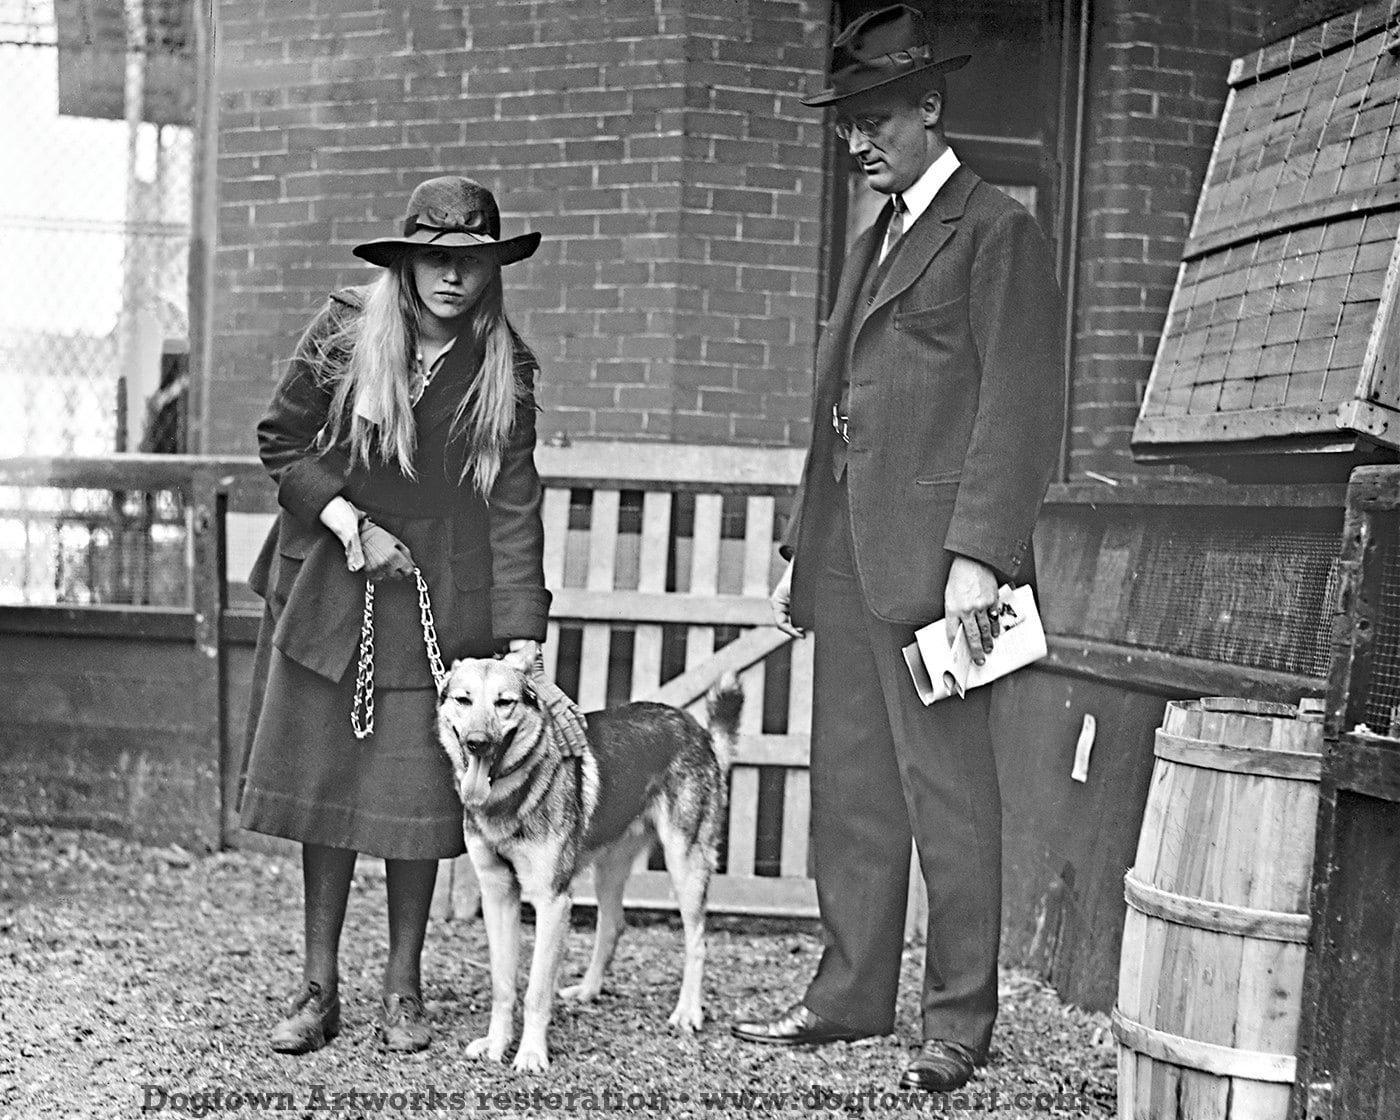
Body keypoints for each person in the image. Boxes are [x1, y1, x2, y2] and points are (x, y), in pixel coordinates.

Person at [730, 5, 1064, 1095]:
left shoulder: (995, 229)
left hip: (937, 566)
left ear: (929, 106)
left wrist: (979, 553)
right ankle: (848, 994)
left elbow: (1017, 406)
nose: (858, 142)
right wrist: (798, 540)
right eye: (846, 126)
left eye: (874, 118)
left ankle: (957, 1021)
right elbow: (836, 402)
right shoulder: (875, 234)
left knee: (948, 793)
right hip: (846, 555)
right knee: (853, 786)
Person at [238, 176, 552, 1054]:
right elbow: (281, 440)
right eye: (436, 259)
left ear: (493, 268)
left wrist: (520, 629)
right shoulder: (343, 330)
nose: (454, 278)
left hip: (438, 595)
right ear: (407, 262)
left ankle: (403, 989)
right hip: (331, 579)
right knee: (331, 785)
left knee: (416, 796)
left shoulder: (505, 367)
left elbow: (514, 502)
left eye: (474, 262)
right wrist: (347, 522)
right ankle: (316, 987)